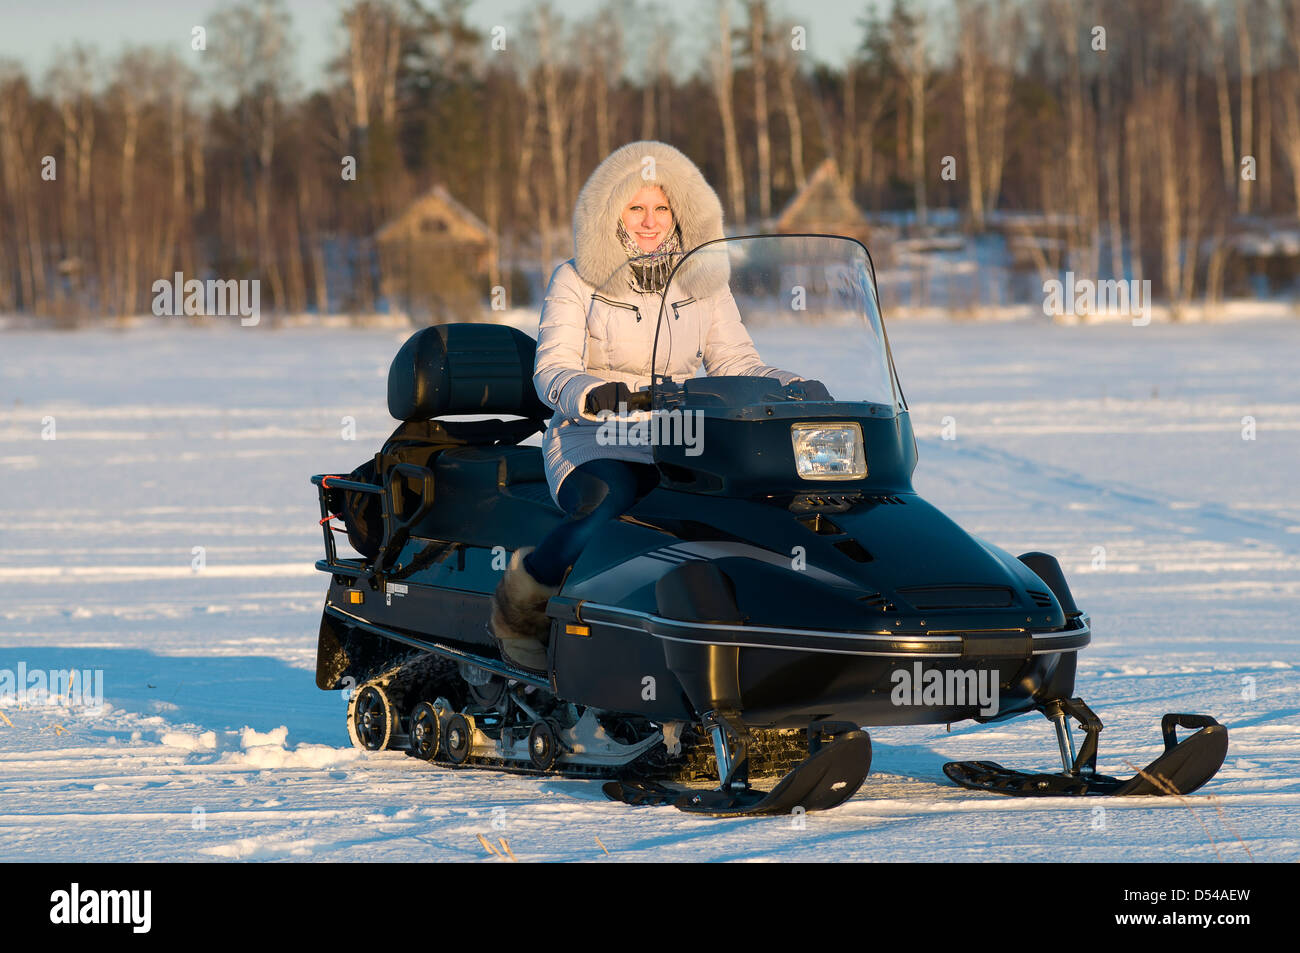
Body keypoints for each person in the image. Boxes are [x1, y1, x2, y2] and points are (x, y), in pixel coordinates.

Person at [490, 140, 804, 671]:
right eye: (636, 208)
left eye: (661, 208)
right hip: (595, 437)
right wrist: (589, 392)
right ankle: (522, 610)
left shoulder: (703, 282)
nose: (650, 221)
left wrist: (792, 384)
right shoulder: (576, 279)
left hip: (686, 439)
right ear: (612, 213)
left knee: (763, 509)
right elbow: (551, 368)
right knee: (605, 504)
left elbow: (736, 362)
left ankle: (765, 633)